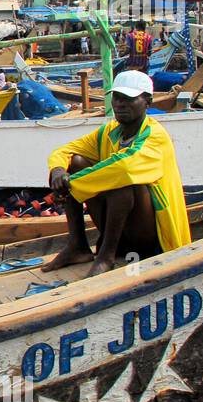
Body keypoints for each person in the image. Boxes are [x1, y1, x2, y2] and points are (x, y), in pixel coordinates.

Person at [42, 70, 190, 276]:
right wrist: (58, 171)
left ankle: (106, 257)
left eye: (129, 99)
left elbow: (124, 167)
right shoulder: (110, 131)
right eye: (117, 98)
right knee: (75, 162)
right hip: (122, 231)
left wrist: (70, 185)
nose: (120, 104)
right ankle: (78, 245)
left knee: (121, 181)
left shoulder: (156, 137)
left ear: (147, 101)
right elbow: (66, 151)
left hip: (152, 236)